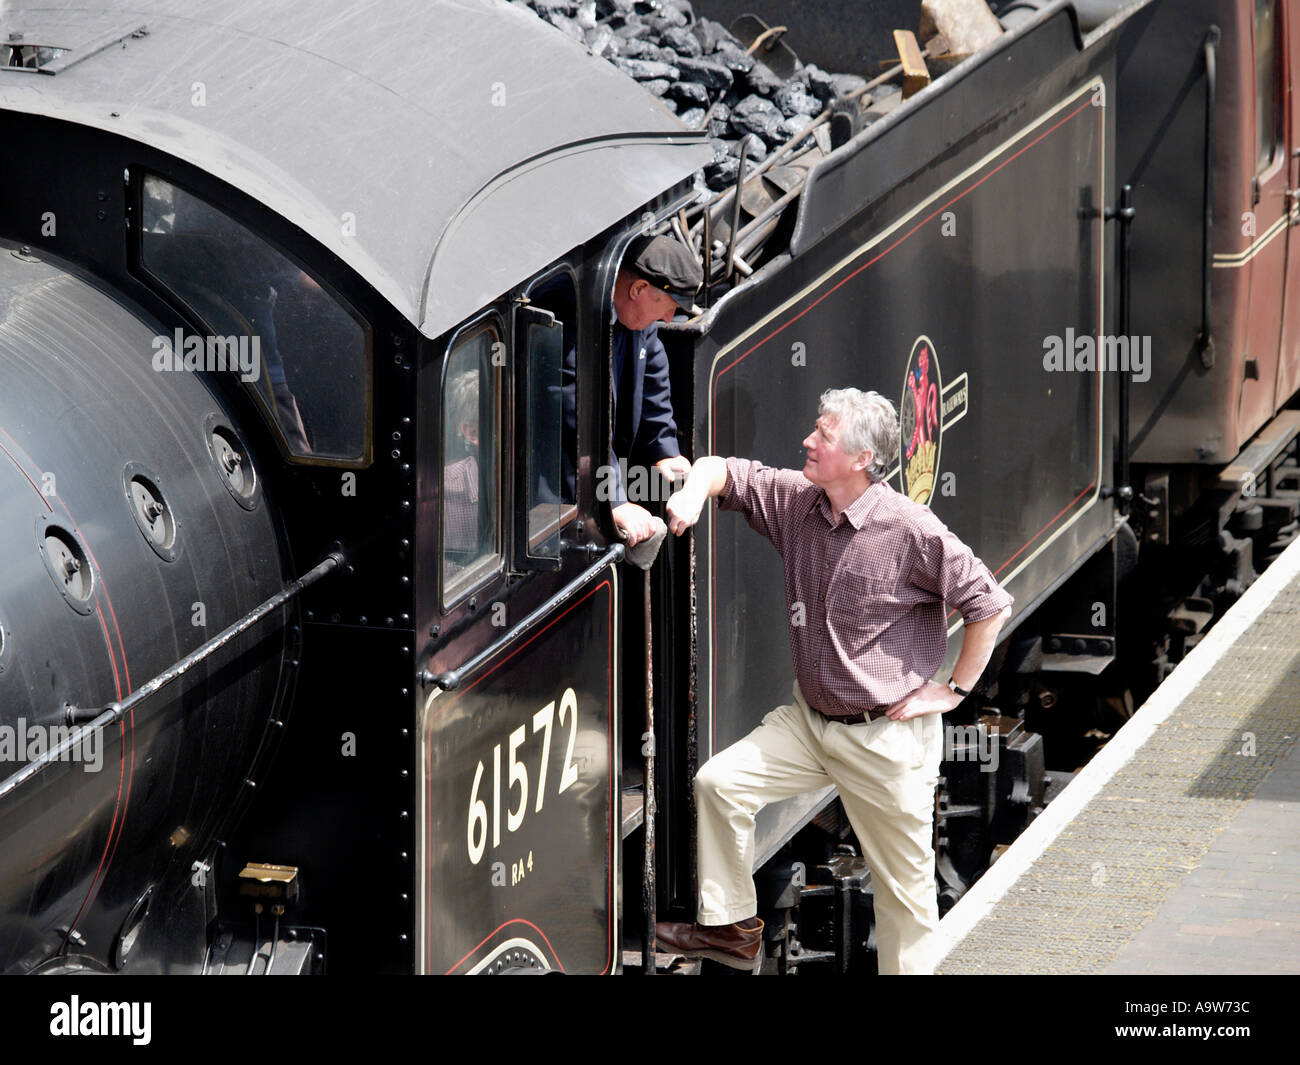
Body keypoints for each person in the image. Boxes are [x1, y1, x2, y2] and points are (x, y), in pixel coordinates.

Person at [655, 387, 1014, 974]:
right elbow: (728, 472)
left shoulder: (909, 528)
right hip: (809, 724)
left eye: (823, 435)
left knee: (906, 896)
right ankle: (732, 929)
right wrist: (694, 489)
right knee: (719, 784)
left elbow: (988, 603)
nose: (808, 441)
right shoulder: (800, 502)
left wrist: (955, 689)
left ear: (862, 458)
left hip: (883, 741)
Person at [605, 235, 701, 546]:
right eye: (669, 306)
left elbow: (653, 377)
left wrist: (664, 450)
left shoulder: (640, 323)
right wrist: (615, 501)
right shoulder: (572, 330)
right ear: (638, 290)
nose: (669, 319)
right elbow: (573, 425)